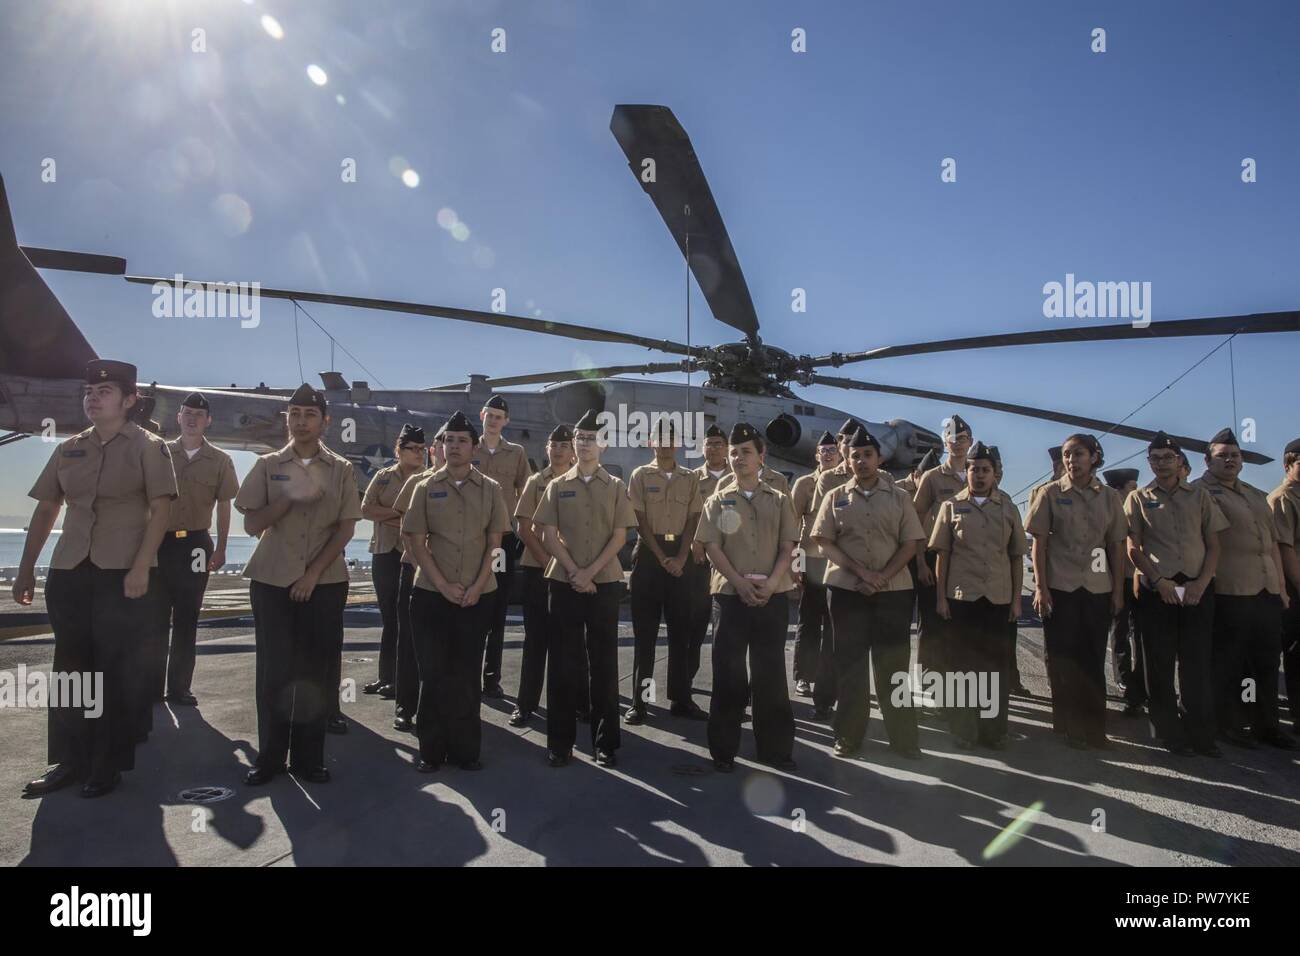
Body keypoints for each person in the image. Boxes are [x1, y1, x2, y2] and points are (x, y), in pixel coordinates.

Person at [16, 359, 178, 798]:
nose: (93, 397)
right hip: (70, 569)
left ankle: (106, 764)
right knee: (70, 668)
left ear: (129, 401)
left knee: (114, 670)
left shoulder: (149, 446)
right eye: (89, 391)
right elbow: (47, 508)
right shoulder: (70, 448)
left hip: (121, 573)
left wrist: (143, 565)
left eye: (104, 391)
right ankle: (69, 761)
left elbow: (161, 510)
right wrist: (28, 567)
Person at [237, 384, 360, 785]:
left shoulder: (340, 469)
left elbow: (345, 530)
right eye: (294, 414)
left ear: (324, 421)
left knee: (314, 669)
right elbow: (252, 523)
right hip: (272, 579)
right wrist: (286, 499)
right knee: (273, 669)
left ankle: (310, 758)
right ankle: (270, 757)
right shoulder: (268, 464)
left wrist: (312, 574)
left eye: (309, 414)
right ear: (286, 419)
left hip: (323, 582)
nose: (300, 421)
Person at [402, 411, 511, 771]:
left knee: (466, 675)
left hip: (476, 597)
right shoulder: (425, 487)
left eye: (462, 440)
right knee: (432, 674)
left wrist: (478, 587)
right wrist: (443, 584)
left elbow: (495, 545)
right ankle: (431, 752)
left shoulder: (491, 490)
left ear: (474, 447)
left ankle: (466, 751)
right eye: (449, 440)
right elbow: (416, 542)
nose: (454, 446)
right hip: (432, 594)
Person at [532, 409, 638, 768]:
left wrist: (590, 572)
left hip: (605, 583)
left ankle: (605, 742)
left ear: (603, 445)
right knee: (562, 664)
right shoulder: (557, 486)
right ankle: (559, 743)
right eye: (579, 439)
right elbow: (546, 533)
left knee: (604, 664)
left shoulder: (617, 486)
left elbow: (620, 536)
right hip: (564, 581)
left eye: (590, 439)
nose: (583, 445)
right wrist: (576, 571)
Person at [812, 427, 926, 759]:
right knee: (850, 667)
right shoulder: (835, 497)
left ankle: (904, 740)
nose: (861, 460)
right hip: (847, 591)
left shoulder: (900, 497)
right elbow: (823, 541)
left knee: (893, 667)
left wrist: (881, 577)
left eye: (867, 455)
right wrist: (862, 573)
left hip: (894, 592)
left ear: (879, 459)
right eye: (855, 455)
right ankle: (848, 737)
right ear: (847, 461)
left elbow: (910, 543)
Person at [696, 423, 800, 772]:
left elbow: (788, 546)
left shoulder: (781, 500)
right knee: (728, 676)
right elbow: (711, 546)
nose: (738, 458)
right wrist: (738, 582)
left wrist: (771, 584)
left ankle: (776, 750)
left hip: (773, 597)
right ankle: (723, 751)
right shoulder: (717, 499)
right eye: (734, 453)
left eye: (746, 452)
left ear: (761, 457)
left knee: (770, 674)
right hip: (729, 597)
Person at [1125, 432, 1227, 757]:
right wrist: (1159, 581)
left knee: (1197, 663)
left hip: (1196, 588)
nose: (1162, 463)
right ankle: (1170, 733)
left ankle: (1201, 734)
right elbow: (1133, 548)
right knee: (1160, 665)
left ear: (1180, 461)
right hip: (1159, 591)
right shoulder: (1139, 498)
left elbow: (1214, 545)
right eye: (1155, 458)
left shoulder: (1198, 496)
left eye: (1168, 458)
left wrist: (1201, 583)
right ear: (1149, 462)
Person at [1193, 428, 1295, 749]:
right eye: (1222, 456)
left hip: (1264, 589)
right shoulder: (1199, 493)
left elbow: (1274, 544)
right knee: (1228, 663)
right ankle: (1229, 723)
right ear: (1208, 460)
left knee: (1264, 662)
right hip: (1229, 589)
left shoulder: (1253, 494)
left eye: (1235, 455)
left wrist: (1280, 586)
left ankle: (1265, 724)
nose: (1230, 460)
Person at [1026, 433, 1127, 750]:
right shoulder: (1050, 494)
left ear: (1094, 457)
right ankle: (1069, 726)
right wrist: (1041, 588)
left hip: (1097, 587)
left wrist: (1118, 591)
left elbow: (1116, 545)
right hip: (1061, 586)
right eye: (1068, 455)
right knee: (1063, 657)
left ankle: (1095, 727)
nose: (1072, 460)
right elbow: (1039, 544)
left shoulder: (1110, 497)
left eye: (1079, 454)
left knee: (1093, 658)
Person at [931, 441, 1026, 749]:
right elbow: (942, 555)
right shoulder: (950, 507)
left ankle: (993, 731)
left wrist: (1015, 600)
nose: (979, 475)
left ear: (995, 474)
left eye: (985, 470)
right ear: (967, 472)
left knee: (994, 668)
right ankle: (963, 729)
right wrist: (941, 597)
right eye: (974, 469)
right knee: (962, 667)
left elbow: (1015, 557)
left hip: (997, 598)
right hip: (961, 598)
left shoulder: (1008, 508)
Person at [150, 391, 238, 708]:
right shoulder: (157, 452)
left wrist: (222, 547)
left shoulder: (220, 461)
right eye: (186, 413)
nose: (191, 419)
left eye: (198, 415)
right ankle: (151, 688)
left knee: (187, 618)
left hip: (196, 544)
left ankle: (179, 688)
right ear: (178, 417)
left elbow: (225, 506)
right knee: (155, 618)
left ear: (208, 421)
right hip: (157, 542)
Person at [627, 419, 706, 723]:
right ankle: (641, 701)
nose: (665, 444)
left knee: (681, 635)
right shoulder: (640, 475)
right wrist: (663, 557)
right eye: (660, 439)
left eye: (671, 439)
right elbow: (639, 519)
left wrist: (683, 555)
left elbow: (693, 518)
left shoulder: (689, 478)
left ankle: (681, 699)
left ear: (679, 443)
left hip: (680, 556)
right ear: (651, 443)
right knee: (645, 636)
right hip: (649, 556)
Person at [509, 424, 580, 727]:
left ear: (572, 450)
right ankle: (525, 705)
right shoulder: (535, 482)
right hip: (539, 570)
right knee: (535, 641)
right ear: (547, 448)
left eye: (565, 445)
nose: (559, 449)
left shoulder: (582, 482)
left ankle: (572, 705)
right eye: (554, 444)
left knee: (570, 643)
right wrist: (550, 563)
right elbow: (524, 528)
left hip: (572, 571)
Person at [360, 424, 426, 700]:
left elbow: (425, 517)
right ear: (399, 450)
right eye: (413, 449)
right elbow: (365, 509)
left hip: (412, 554)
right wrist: (398, 517)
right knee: (389, 618)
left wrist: (386, 516)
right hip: (385, 551)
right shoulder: (384, 477)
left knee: (408, 619)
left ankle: (406, 678)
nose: (419, 454)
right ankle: (386, 676)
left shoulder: (427, 480)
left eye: (422, 449)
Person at [388, 425, 447, 730]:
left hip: (452, 576)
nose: (446, 448)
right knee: (409, 643)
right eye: (441, 443)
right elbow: (405, 528)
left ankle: (445, 708)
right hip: (416, 572)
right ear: (433, 451)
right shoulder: (416, 483)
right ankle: (405, 705)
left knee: (446, 648)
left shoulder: (472, 485)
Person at [474, 395, 532, 698]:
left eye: (499, 417)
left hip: (503, 540)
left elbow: (527, 490)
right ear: (482, 415)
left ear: (506, 421)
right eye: (490, 415)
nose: (494, 420)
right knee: (469, 604)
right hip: (470, 538)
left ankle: (491, 676)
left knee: (497, 606)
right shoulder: (470, 447)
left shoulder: (516, 453)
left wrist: (518, 523)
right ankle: (468, 672)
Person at [912, 414, 973, 686]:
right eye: (952, 439)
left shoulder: (979, 474)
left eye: (962, 439)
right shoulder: (932, 478)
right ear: (944, 443)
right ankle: (928, 686)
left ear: (970, 442)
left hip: (967, 561)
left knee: (960, 626)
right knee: (932, 624)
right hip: (933, 557)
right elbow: (914, 521)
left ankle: (956, 689)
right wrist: (920, 564)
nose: (957, 444)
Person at [791, 431, 841, 715]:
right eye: (824, 450)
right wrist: (795, 562)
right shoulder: (805, 484)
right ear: (816, 455)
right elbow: (792, 524)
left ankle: (830, 679)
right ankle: (803, 677)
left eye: (833, 450)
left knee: (834, 625)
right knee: (809, 622)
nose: (829, 454)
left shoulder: (846, 481)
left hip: (838, 563)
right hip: (811, 560)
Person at [686, 423, 732, 696]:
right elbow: (688, 519)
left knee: (727, 633)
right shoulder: (691, 479)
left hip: (731, 565)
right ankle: (685, 683)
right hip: (699, 562)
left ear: (726, 449)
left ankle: (729, 687)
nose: (713, 448)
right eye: (709, 443)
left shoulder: (738, 477)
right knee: (694, 627)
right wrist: (695, 546)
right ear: (702, 447)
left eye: (718, 443)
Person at [1103, 467, 1147, 718]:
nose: (1136, 491)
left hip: (1139, 580)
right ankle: (1124, 682)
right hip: (1115, 581)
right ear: (1118, 489)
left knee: (1141, 636)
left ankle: (1141, 686)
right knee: (1120, 633)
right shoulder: (1109, 510)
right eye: (1131, 487)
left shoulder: (1140, 507)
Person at [1267, 437, 1300, 724]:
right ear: (1288, 465)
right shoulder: (1282, 499)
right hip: (1293, 587)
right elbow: (1285, 549)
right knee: (1296, 654)